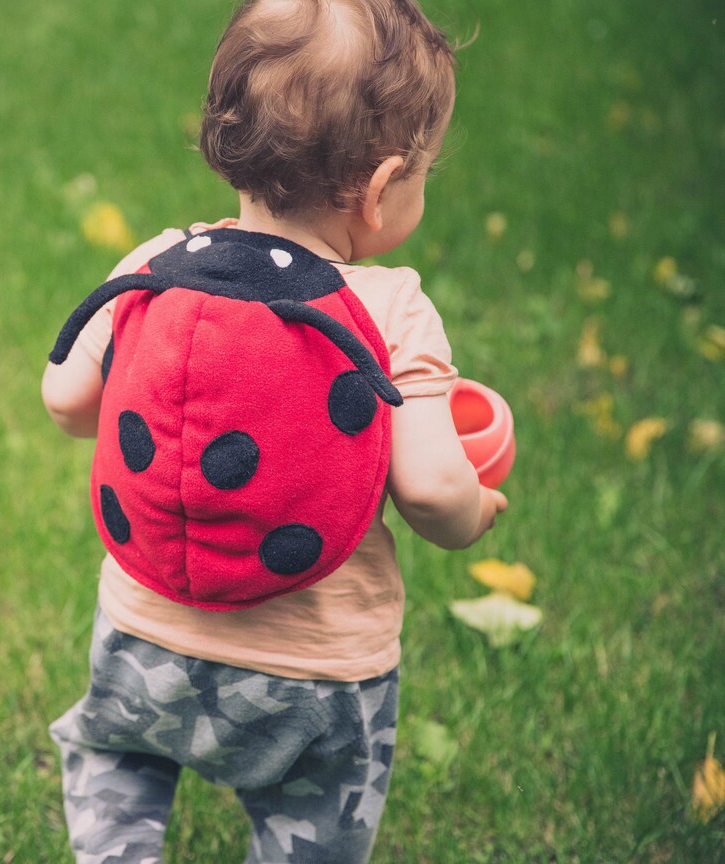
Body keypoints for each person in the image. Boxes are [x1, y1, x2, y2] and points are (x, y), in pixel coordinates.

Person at [41, 0, 507, 861]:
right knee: (317, 824)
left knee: (120, 750)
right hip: (315, 671)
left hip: (144, 631)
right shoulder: (390, 309)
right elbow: (433, 488)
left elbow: (66, 398)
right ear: (380, 190)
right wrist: (476, 510)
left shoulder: (157, 263)